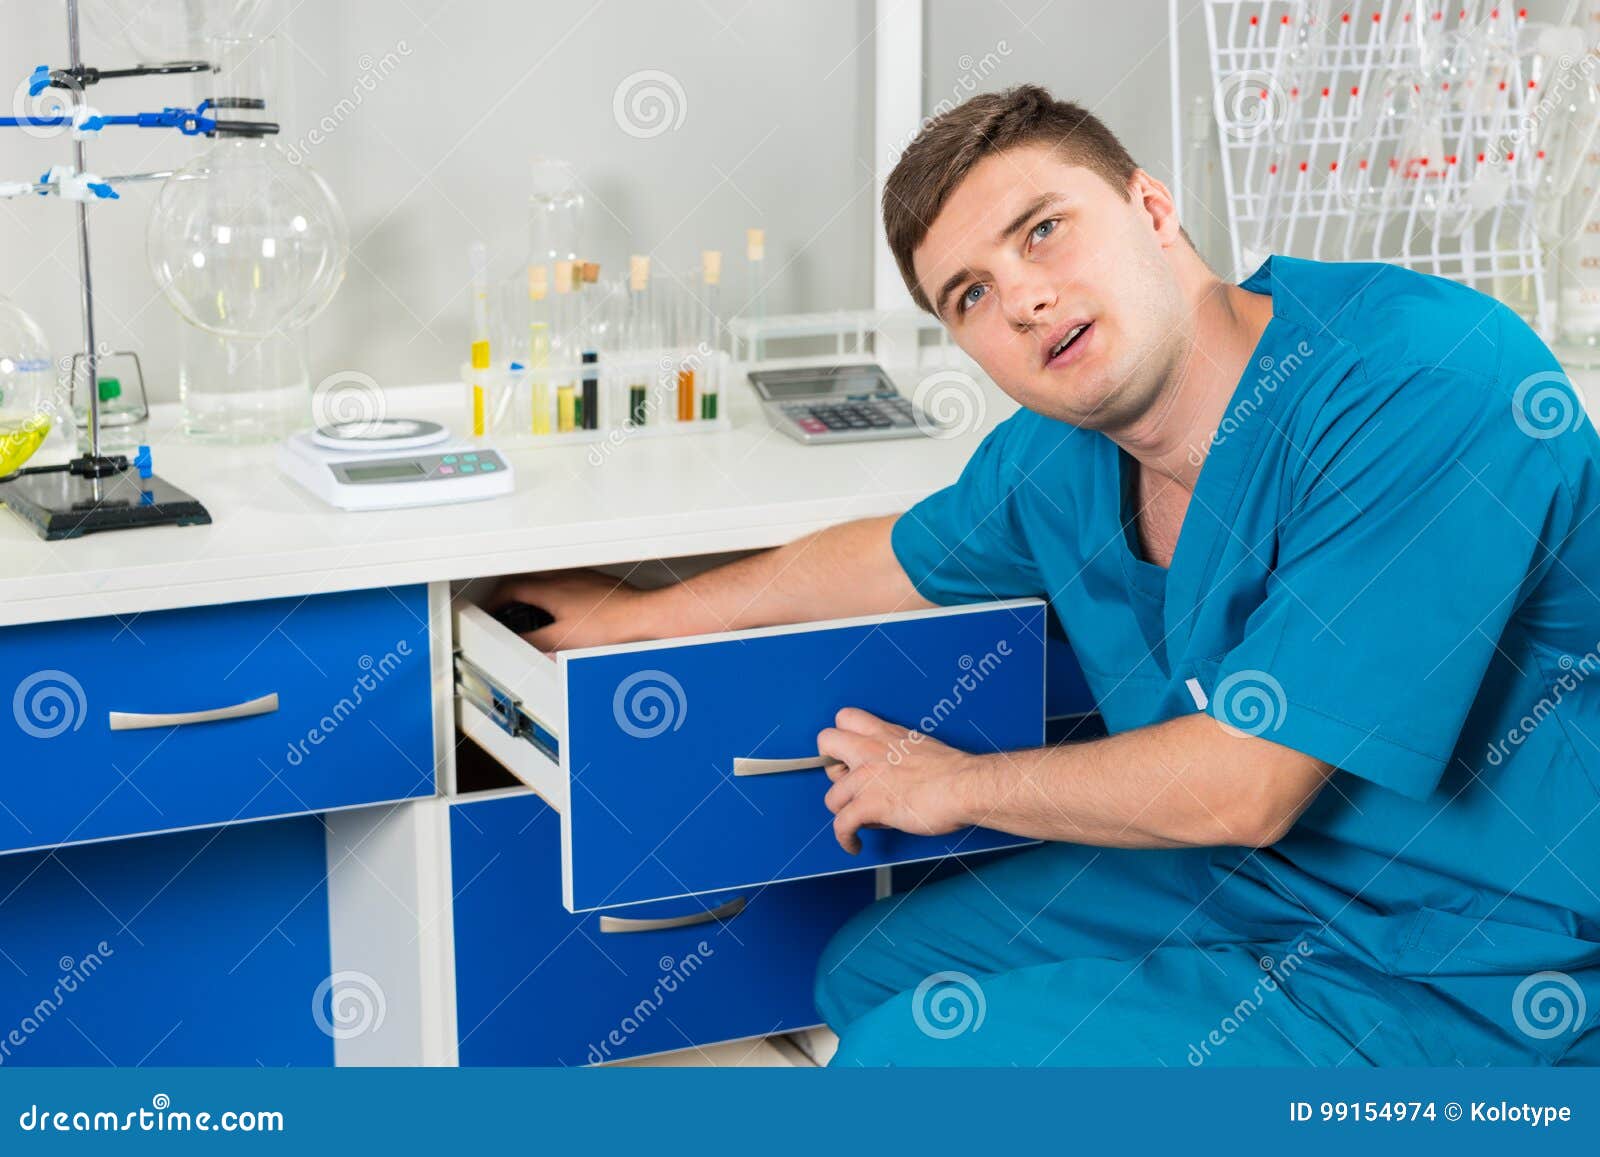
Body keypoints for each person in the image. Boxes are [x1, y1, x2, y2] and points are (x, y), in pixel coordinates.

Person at [493, 85, 1600, 1066]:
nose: (1020, 298)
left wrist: (957, 784)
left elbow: (1240, 786)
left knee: (913, 1073)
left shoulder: (1418, 381)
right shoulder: (1067, 453)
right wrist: (643, 617)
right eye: (968, 294)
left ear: (1153, 211)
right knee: (876, 977)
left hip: (1488, 962)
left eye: (1043, 232)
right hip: (1275, 889)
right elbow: (896, 553)